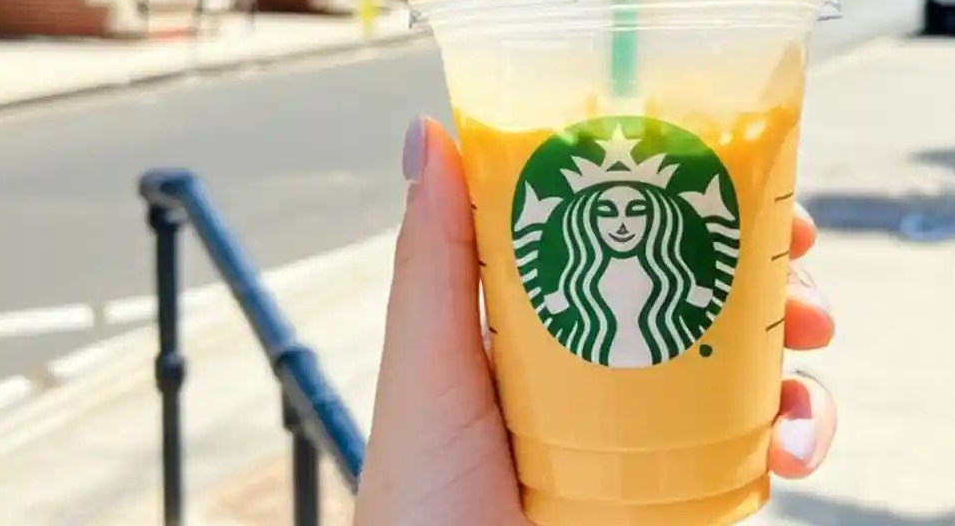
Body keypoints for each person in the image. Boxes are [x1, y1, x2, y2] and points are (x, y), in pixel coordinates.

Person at [353, 118, 840, 525]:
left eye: (636, 210)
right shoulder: (575, 292)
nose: (622, 224)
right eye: (607, 210)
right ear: (585, 218)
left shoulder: (675, 289)